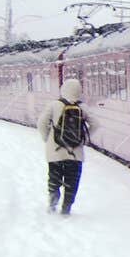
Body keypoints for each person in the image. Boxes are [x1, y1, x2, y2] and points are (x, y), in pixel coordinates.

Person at [38, 78, 90, 216]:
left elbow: (41, 123)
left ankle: (52, 204)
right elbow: (96, 125)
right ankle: (66, 208)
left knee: (54, 178)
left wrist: (47, 138)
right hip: (75, 153)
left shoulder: (54, 105)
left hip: (55, 152)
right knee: (72, 181)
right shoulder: (83, 107)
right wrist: (82, 139)